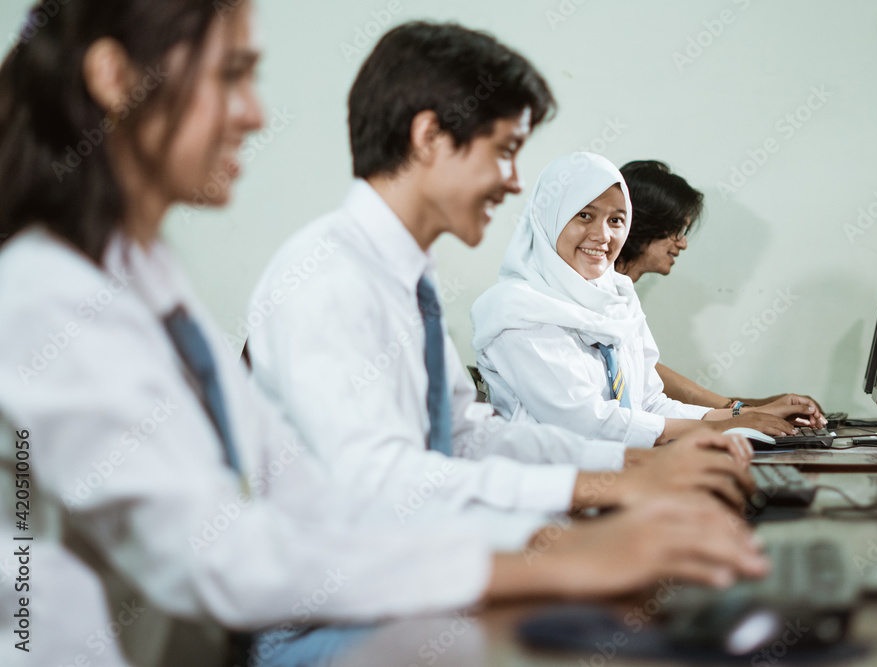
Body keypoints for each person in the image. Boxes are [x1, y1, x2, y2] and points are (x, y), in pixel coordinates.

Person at [0, 6, 766, 667]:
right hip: (299, 626)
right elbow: (235, 552)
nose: (255, 112)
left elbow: (346, 476)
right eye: (231, 75)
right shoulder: (56, 298)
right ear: (112, 76)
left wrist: (613, 489)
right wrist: (567, 541)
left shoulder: (148, 280)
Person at [246, 22, 758, 547]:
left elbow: (468, 438)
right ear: (428, 139)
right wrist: (577, 533)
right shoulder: (331, 279)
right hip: (349, 606)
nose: (515, 181)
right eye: (505, 150)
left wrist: (626, 465)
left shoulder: (404, 274)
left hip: (415, 568)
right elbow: (382, 493)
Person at [471, 152, 819, 452]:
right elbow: (586, 423)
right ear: (549, 218)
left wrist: (743, 418)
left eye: (616, 220)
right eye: (585, 215)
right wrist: (721, 425)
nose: (603, 235)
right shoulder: (515, 310)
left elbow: (649, 403)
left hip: (621, 476)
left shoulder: (617, 301)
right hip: (551, 497)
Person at [615, 160, 825, 418]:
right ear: (644, 221)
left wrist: (742, 408)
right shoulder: (598, 294)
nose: (682, 244)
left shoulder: (623, 295)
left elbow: (647, 375)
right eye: (677, 230)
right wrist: (740, 409)